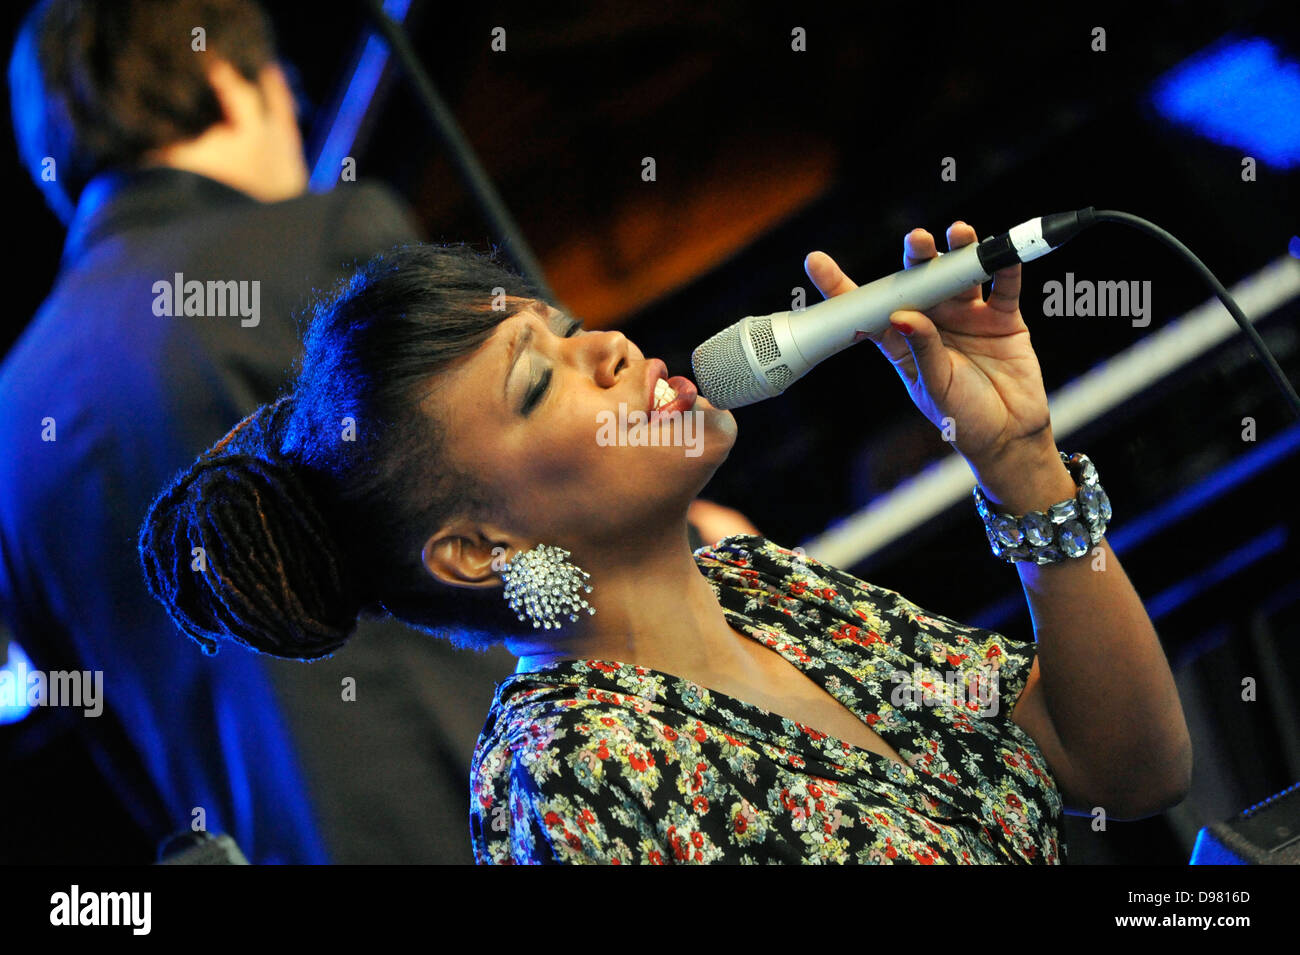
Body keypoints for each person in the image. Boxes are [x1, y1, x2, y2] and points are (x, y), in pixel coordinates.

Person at [137, 223, 1193, 864]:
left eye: (561, 325)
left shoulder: (757, 587)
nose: (605, 344)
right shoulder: (565, 776)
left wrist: (1019, 460)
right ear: (475, 547)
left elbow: (1122, 764)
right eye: (538, 378)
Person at [0, 0, 514, 863]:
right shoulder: (319, 240)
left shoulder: (12, 417)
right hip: (494, 809)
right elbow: (539, 498)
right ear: (232, 82)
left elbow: (112, 745)